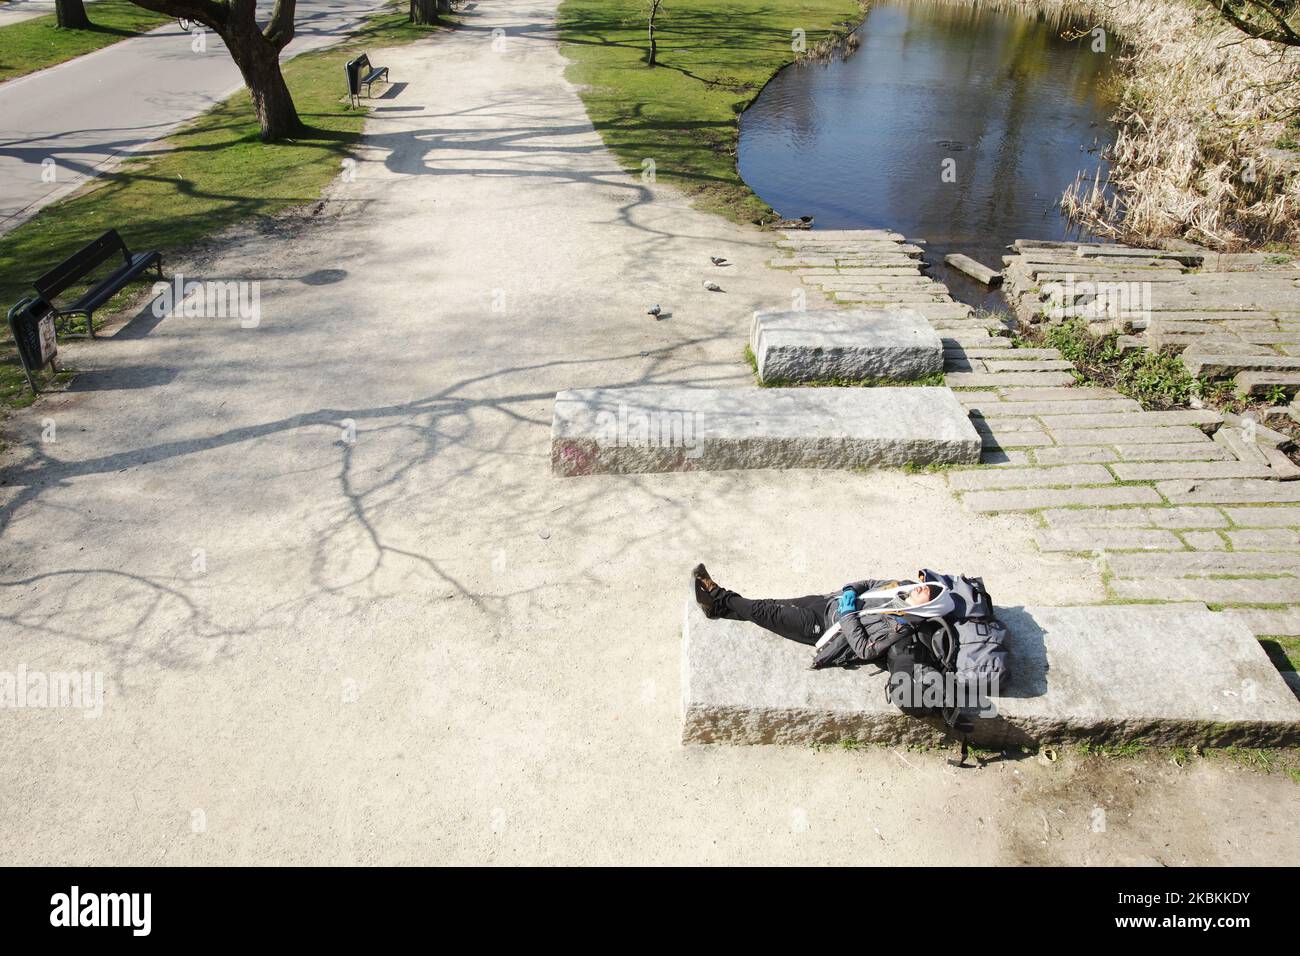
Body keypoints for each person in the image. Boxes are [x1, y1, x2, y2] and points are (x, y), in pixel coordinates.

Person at [691, 563, 951, 667]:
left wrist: (848, 614)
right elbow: (870, 583)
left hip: (823, 627)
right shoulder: (901, 586)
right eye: (927, 584)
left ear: (925, 609)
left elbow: (865, 649)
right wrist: (850, 590)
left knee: (762, 611)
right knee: (766, 608)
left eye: (928, 592)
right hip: (826, 601)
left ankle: (717, 593)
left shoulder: (900, 627)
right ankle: (718, 608)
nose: (922, 586)